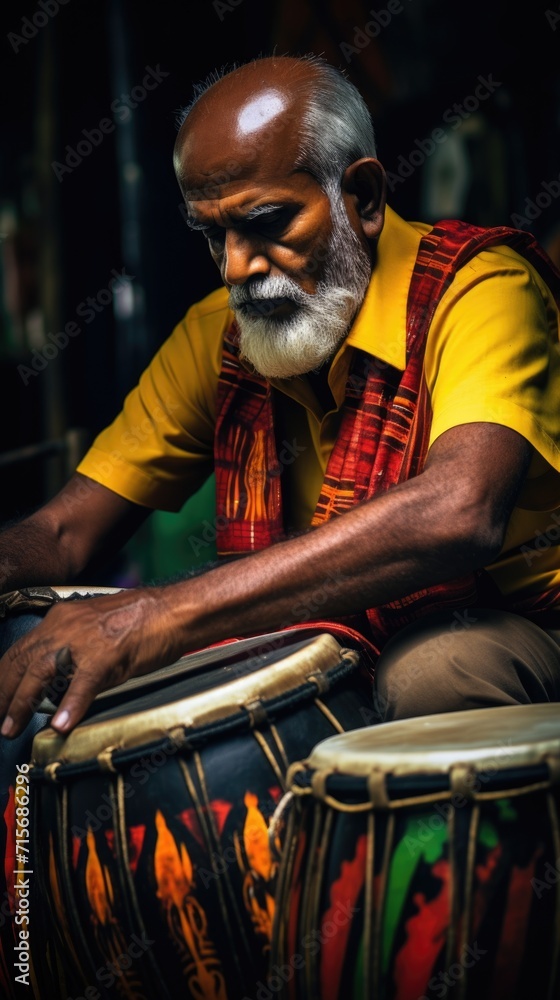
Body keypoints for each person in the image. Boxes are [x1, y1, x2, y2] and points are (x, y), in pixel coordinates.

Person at [1, 52, 560, 751]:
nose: (237, 266)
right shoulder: (218, 333)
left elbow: (461, 512)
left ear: (363, 197)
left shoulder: (482, 292)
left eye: (266, 222)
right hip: (318, 637)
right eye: (214, 234)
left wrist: (165, 612)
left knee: (435, 673)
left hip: (513, 621)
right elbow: (62, 534)